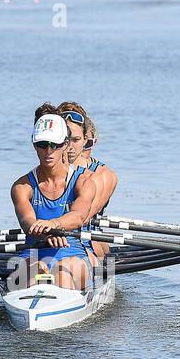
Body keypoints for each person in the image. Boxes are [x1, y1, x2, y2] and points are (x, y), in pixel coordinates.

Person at [8, 105, 100, 292]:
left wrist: (54, 225)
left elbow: (79, 216)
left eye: (55, 144)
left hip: (73, 253)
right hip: (33, 254)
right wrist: (45, 231)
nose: (48, 151)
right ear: (34, 145)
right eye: (42, 144)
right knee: (32, 269)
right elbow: (28, 222)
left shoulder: (84, 181)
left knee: (63, 270)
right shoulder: (22, 187)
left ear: (65, 145)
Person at [55, 101, 118, 261]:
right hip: (52, 235)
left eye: (76, 140)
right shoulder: (44, 171)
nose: (69, 147)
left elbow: (82, 218)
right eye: (66, 140)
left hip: (87, 238)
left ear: (86, 140)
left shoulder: (101, 176)